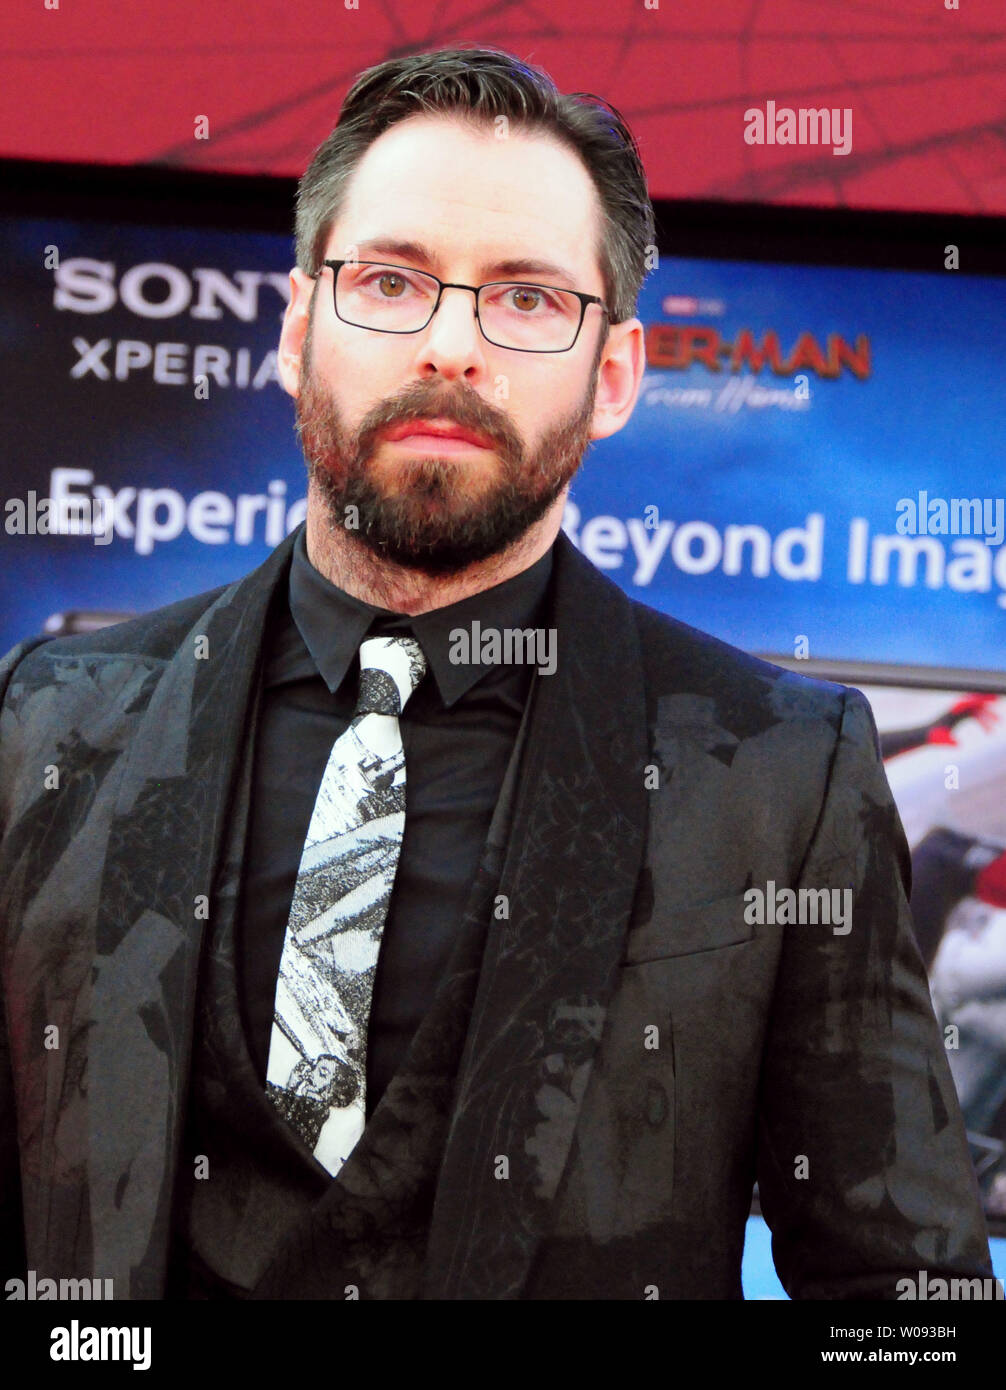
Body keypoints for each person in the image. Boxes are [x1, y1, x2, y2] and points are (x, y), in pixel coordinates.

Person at [0, 45, 995, 1302]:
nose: (452, 344)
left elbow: (906, 1298)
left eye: (527, 298)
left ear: (618, 373)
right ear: (300, 328)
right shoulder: (48, 721)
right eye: (391, 279)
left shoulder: (784, 777)